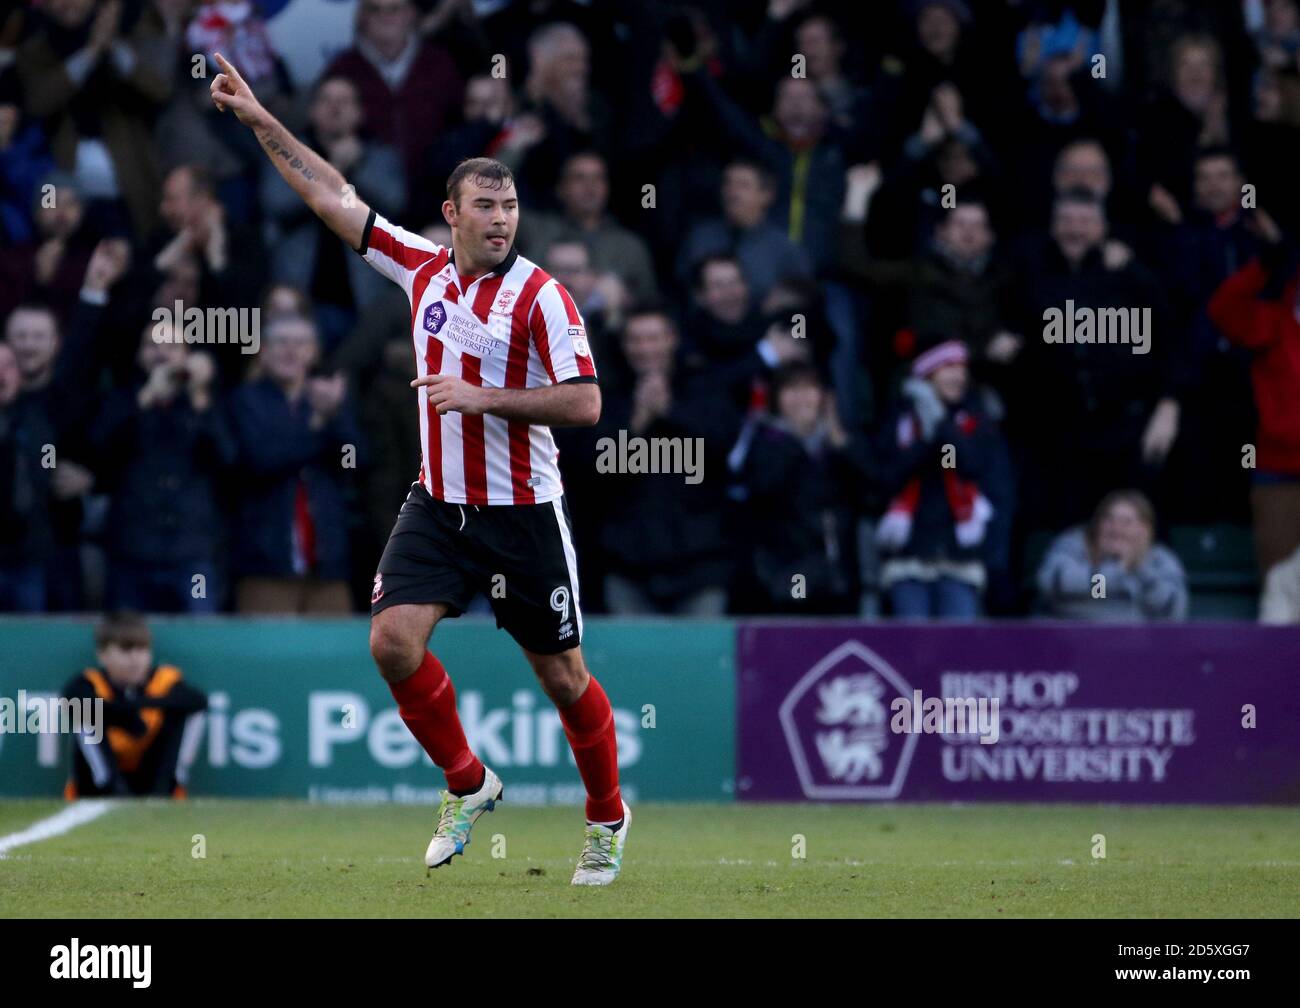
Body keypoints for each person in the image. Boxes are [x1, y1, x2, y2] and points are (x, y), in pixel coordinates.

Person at [209, 53, 628, 885]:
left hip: (523, 513)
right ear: (452, 214)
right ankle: (467, 784)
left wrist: (484, 396)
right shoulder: (421, 268)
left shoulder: (544, 297)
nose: (502, 219)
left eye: (510, 206)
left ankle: (606, 819)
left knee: (562, 675)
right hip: (439, 505)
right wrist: (261, 121)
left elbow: (586, 406)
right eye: (486, 206)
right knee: (392, 643)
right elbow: (336, 198)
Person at [875, 339, 1001, 618]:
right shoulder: (900, 419)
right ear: (927, 373)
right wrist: (926, 440)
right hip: (908, 556)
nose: (959, 375)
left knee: (957, 651)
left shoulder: (974, 419)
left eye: (962, 368)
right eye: (948, 367)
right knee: (912, 650)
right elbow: (885, 478)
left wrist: (941, 424)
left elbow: (972, 464)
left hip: (959, 557)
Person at [61, 611, 207, 799]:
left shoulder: (163, 681)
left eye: (142, 649)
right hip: (100, 780)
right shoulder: (90, 682)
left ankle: (168, 788)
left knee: (187, 713)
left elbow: (198, 700)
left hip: (149, 773)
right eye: (126, 650)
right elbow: (72, 701)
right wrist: (126, 716)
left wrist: (140, 705)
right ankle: (108, 787)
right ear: (102, 655)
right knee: (85, 714)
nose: (135, 658)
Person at [1036, 489, 1189, 621]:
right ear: (1097, 523)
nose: (1116, 528)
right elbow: (1050, 584)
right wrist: (1115, 571)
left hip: (1136, 646)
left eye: (1126, 522)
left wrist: (1139, 569)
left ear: (1145, 529)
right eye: (1108, 519)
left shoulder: (1160, 558)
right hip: (1069, 641)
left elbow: (1173, 612)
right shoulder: (1073, 543)